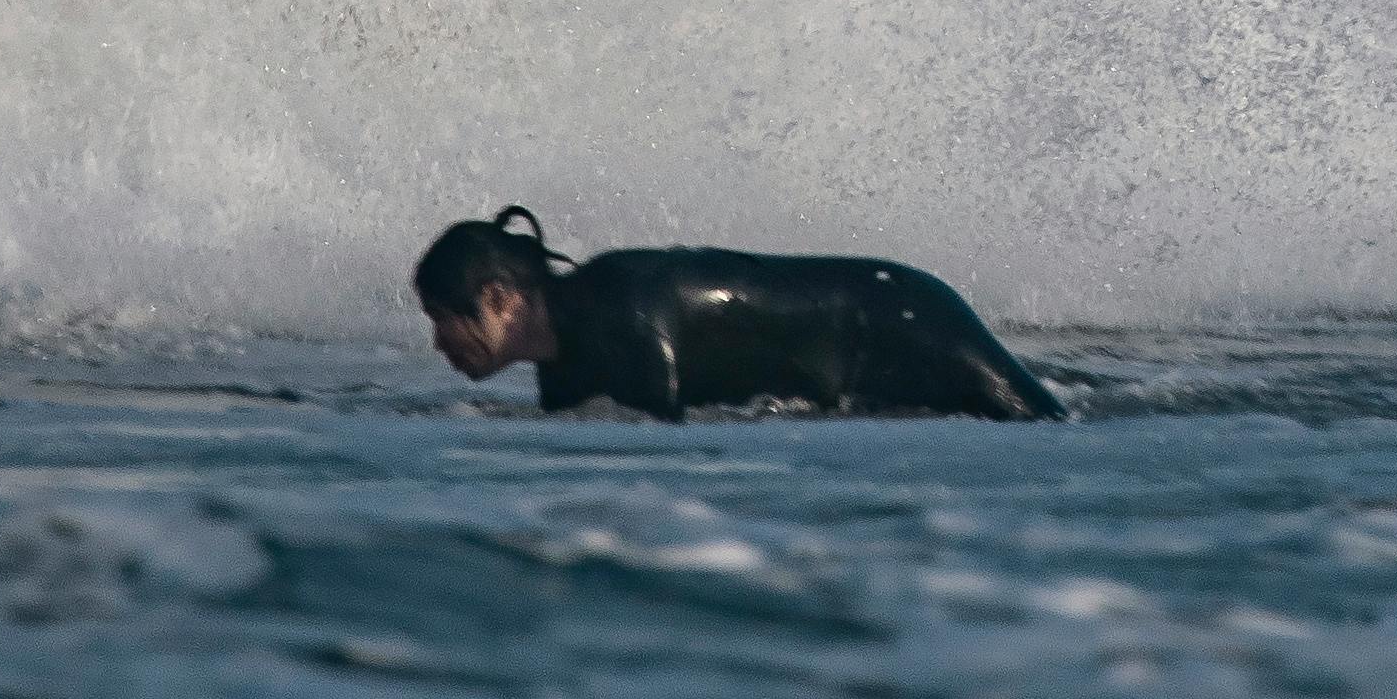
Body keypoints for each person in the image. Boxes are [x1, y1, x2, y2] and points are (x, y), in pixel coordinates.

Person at [413, 206, 1066, 421]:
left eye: (444, 317)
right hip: (862, 345)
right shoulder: (562, 369)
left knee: (1045, 426)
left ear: (499, 298)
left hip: (898, 317)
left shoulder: (619, 307)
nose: (439, 342)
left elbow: (664, 449)